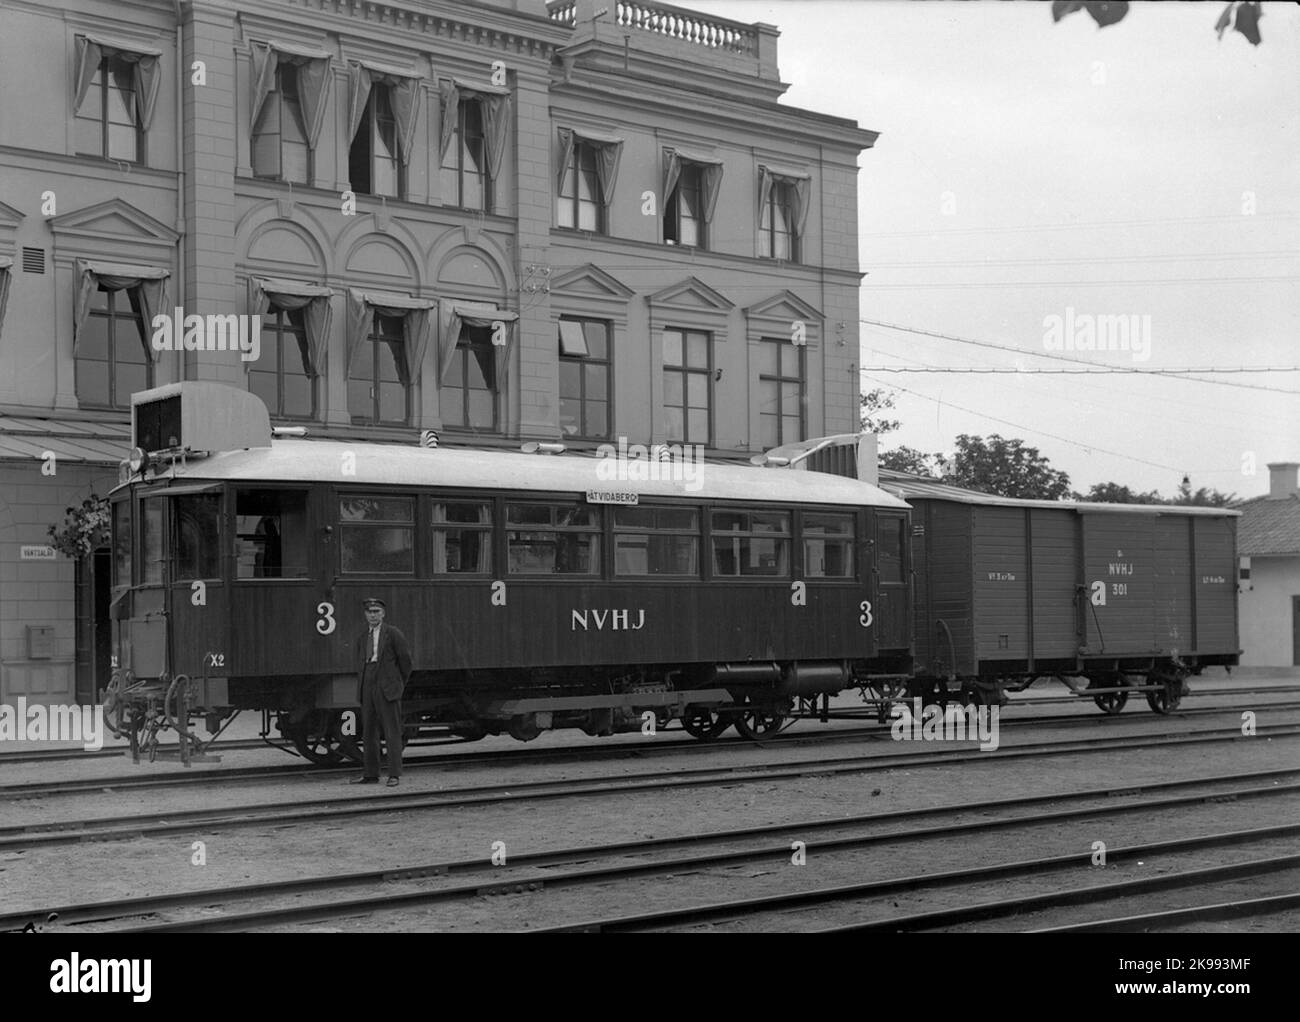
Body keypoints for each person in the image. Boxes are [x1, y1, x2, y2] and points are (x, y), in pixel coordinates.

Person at [349, 597, 412, 787]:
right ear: (365, 614)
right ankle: (370, 774)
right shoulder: (362, 638)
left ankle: (394, 774)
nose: (373, 615)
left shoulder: (393, 634)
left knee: (392, 731)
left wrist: (397, 685)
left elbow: (406, 662)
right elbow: (361, 664)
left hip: (387, 686)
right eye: (370, 611)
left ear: (383, 614)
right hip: (367, 684)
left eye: (377, 611)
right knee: (368, 732)